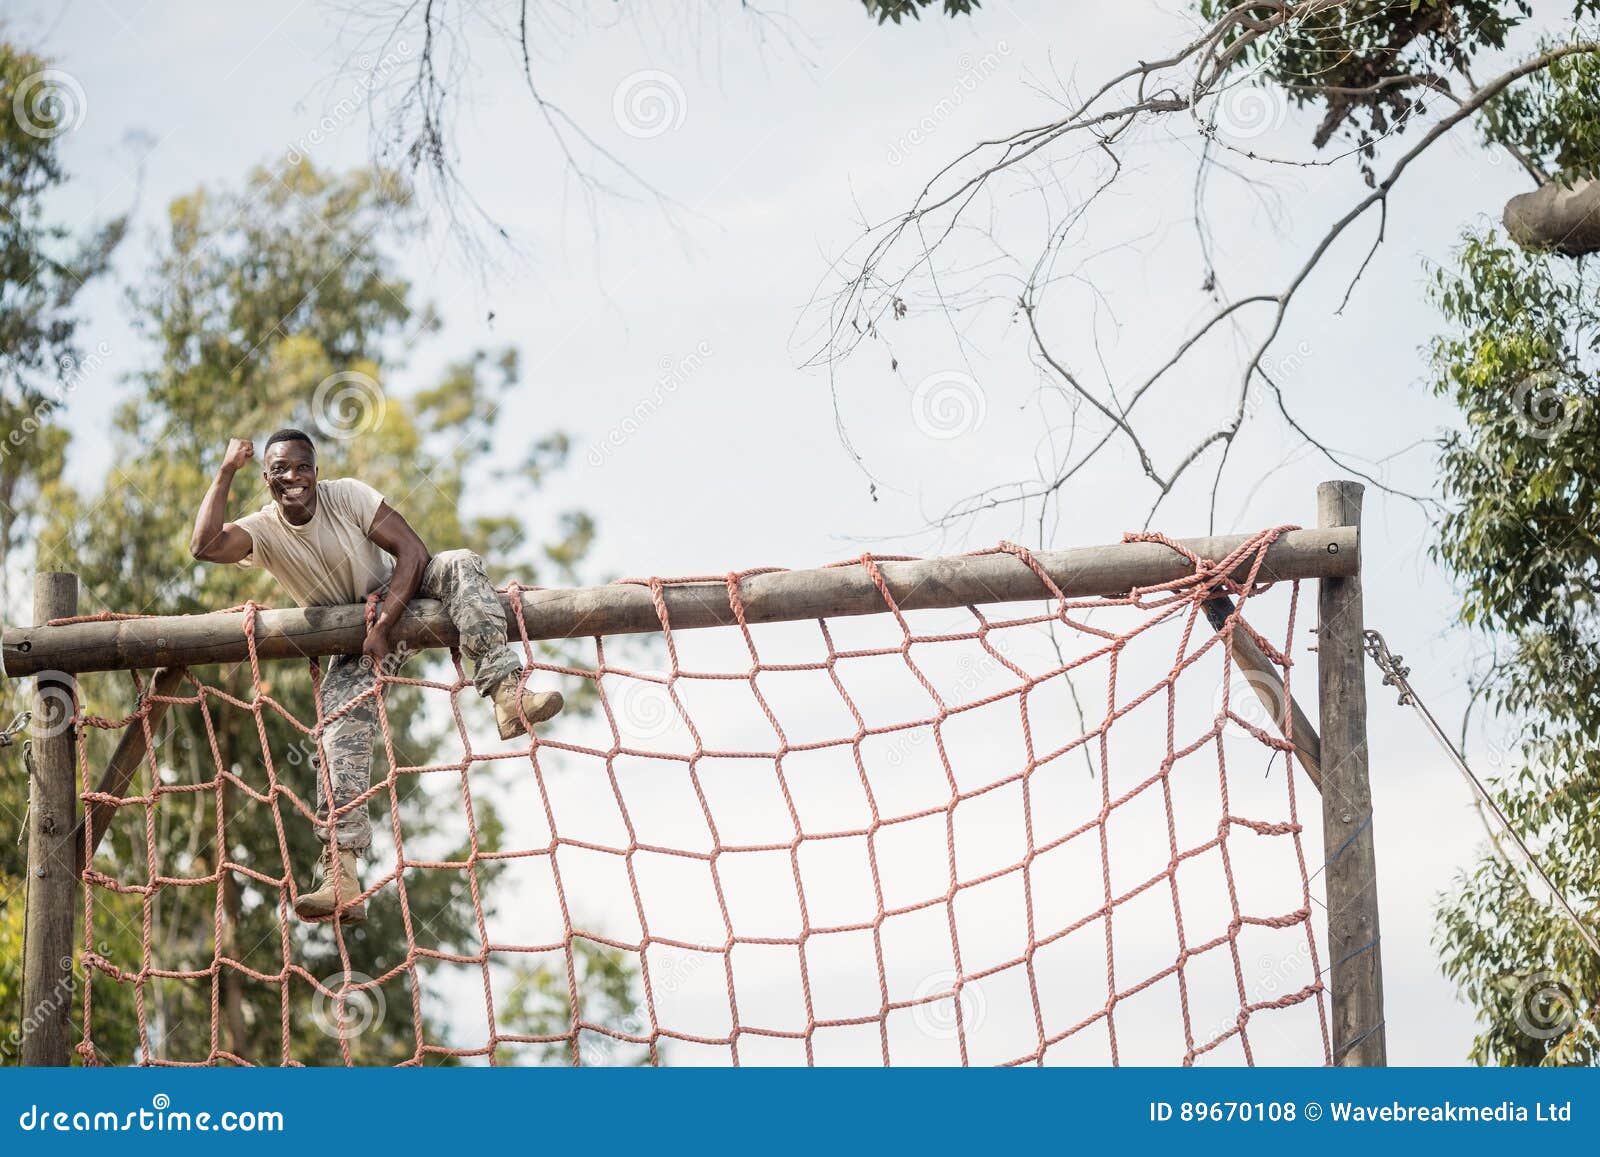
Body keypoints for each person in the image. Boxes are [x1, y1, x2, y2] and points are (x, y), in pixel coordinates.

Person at [189, 428, 563, 924]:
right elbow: (204, 545)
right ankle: (340, 875)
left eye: (303, 467)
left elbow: (413, 550)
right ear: (267, 479)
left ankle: (507, 695)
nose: (293, 478)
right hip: (350, 639)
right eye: (280, 470)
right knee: (338, 728)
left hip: (401, 595)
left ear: (316, 472)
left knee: (460, 563)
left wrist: (386, 621)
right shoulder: (264, 530)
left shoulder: (347, 496)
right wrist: (224, 470)